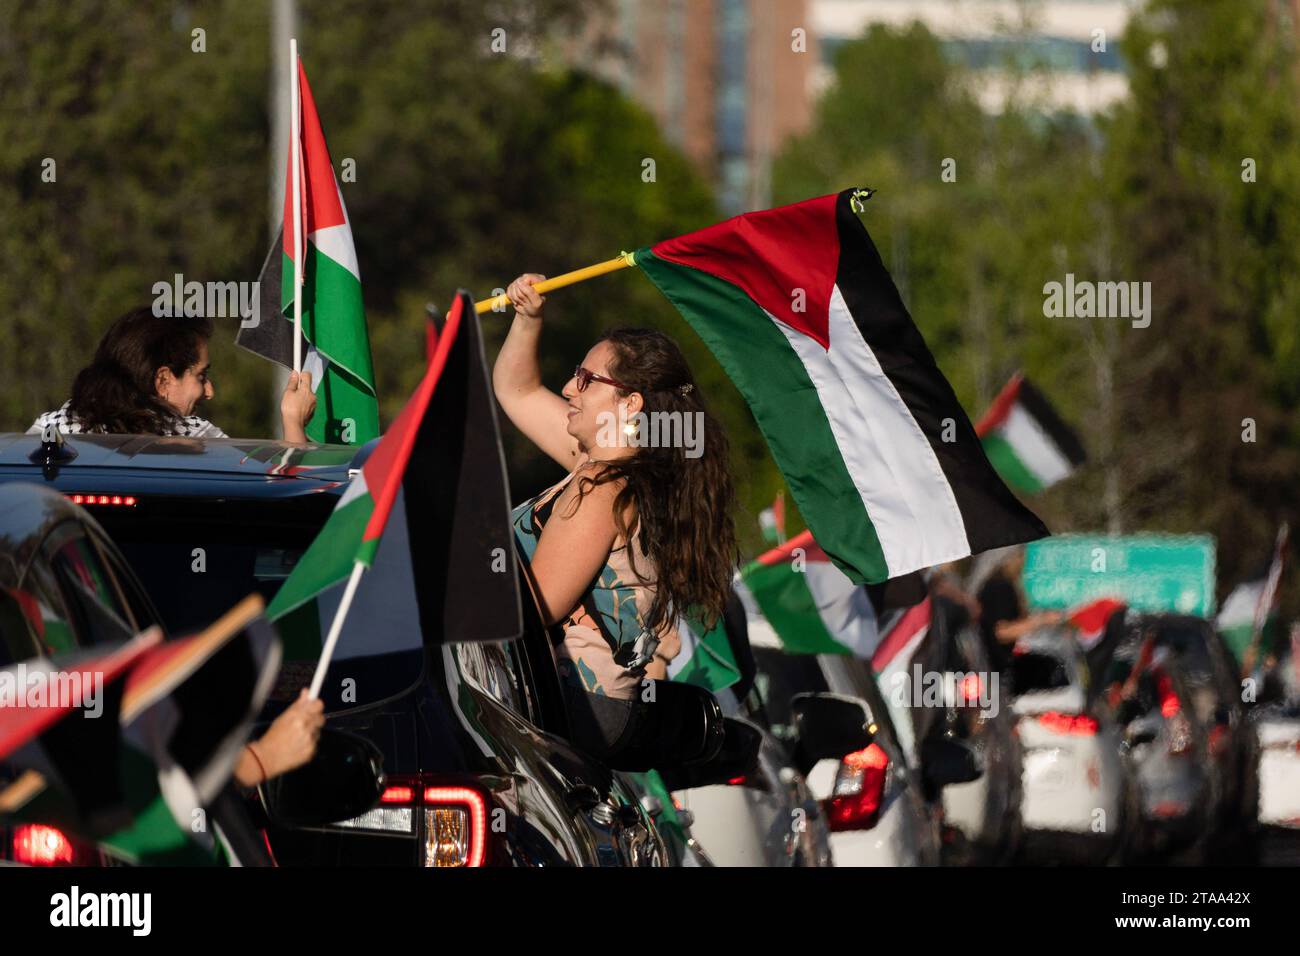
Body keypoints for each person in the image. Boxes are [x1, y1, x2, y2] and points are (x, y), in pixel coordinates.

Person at [494, 273, 738, 758]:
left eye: (586, 379)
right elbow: (517, 391)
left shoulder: (602, 487)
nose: (569, 388)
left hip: (572, 703)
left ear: (629, 404)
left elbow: (531, 607)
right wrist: (527, 319)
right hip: (592, 704)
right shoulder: (615, 471)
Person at [28, 306, 317, 441]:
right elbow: (279, 504)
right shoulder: (197, 441)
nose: (209, 392)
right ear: (164, 380)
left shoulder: (50, 433)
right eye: (201, 376)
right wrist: (293, 423)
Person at [976, 548, 1062, 673]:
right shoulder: (1000, 587)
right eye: (1019, 556)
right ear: (1006, 559)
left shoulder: (996, 585)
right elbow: (1002, 632)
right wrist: (1042, 620)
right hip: (999, 669)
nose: (1023, 561)